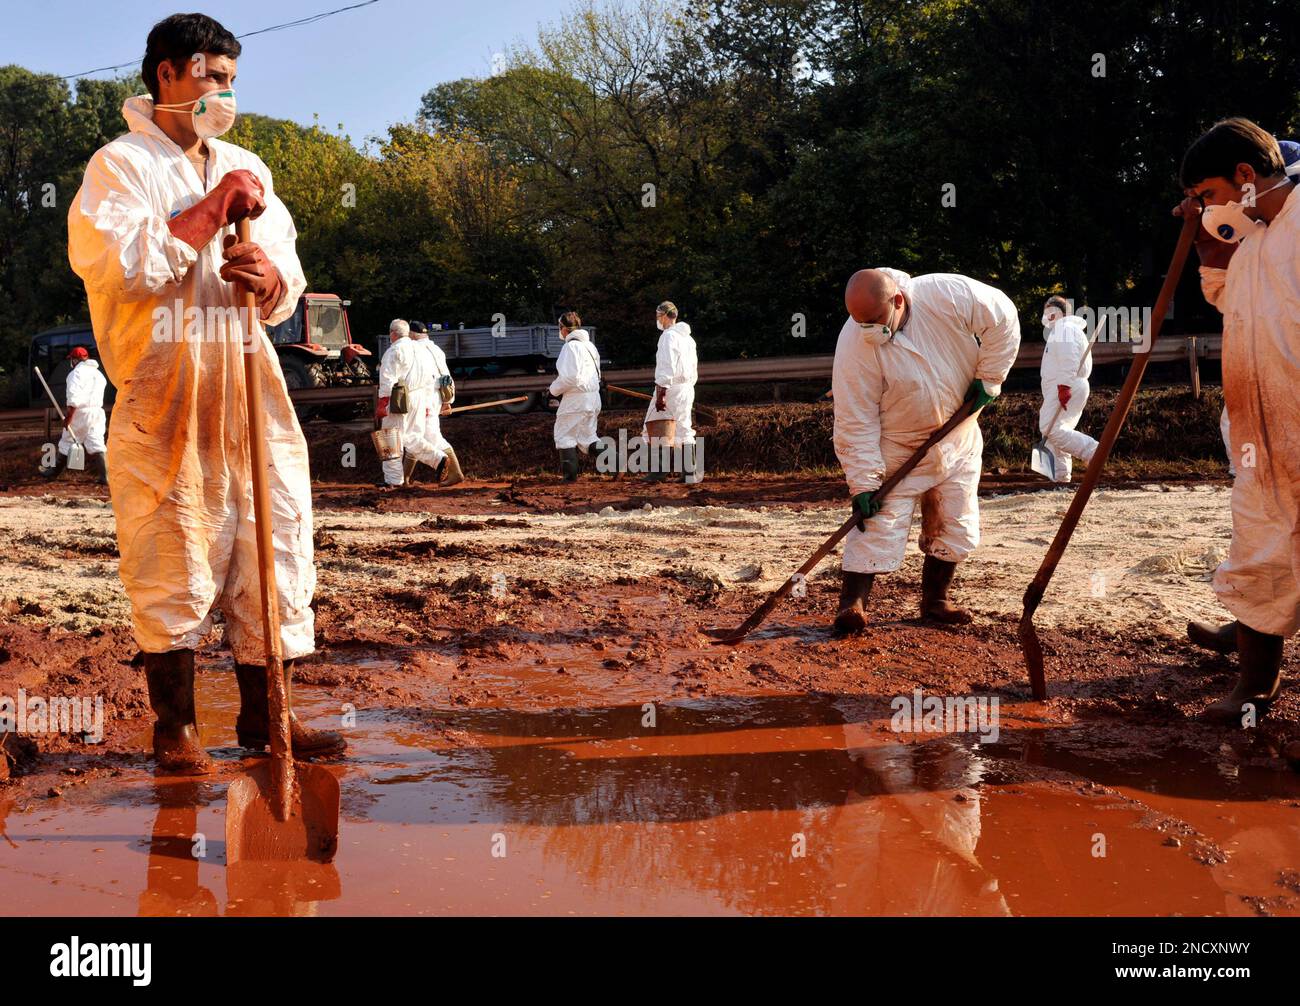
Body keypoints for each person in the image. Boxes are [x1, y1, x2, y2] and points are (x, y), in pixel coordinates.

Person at [67, 13, 344, 774]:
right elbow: (122, 267)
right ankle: (177, 732)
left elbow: (285, 274)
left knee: (275, 548)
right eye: (210, 77)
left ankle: (268, 718)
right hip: (165, 394)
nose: (223, 92)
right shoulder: (118, 167)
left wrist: (272, 279)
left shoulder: (248, 164)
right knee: (173, 552)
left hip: (250, 388)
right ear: (167, 74)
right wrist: (216, 205)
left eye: (230, 79)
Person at [1176, 118, 1300, 721]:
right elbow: (1225, 297)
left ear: (1245, 176)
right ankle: (1254, 689)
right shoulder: (1252, 241)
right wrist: (1209, 233)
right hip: (1260, 438)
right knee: (1258, 555)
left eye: (1207, 193)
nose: (1202, 207)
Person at [831, 268, 1020, 633]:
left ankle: (935, 601)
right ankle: (852, 605)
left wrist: (990, 378)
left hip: (958, 433)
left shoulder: (947, 295)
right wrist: (863, 483)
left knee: (956, 521)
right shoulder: (854, 342)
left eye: (874, 322)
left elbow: (1004, 318)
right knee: (876, 522)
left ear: (898, 300)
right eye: (859, 324)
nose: (867, 331)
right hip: (898, 443)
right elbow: (856, 415)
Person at [1036, 295, 1098, 483]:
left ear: (1060, 312)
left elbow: (1069, 359)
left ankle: (1093, 451)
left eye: (1050, 310)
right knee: (1058, 429)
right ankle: (1061, 476)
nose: (1047, 314)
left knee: (1049, 428)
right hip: (1068, 385)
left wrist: (1064, 386)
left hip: (1067, 385)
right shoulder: (1062, 329)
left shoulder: (1063, 329)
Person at [375, 319, 439, 487]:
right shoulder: (420, 349)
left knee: (390, 438)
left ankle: (393, 480)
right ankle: (438, 459)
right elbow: (428, 379)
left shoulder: (393, 351)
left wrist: (382, 404)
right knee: (412, 436)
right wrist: (425, 404)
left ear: (393, 334)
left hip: (398, 397)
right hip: (419, 397)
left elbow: (387, 380)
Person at [641, 301, 697, 480]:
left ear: (665, 316)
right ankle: (689, 473)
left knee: (653, 425)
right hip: (687, 388)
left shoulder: (668, 336)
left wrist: (661, 394)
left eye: (658, 315)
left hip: (670, 388)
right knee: (683, 428)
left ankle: (659, 471)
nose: (657, 319)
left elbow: (667, 366)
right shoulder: (688, 338)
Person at [40, 347, 109, 484]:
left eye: (71, 359)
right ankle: (105, 477)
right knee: (97, 443)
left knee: (67, 441)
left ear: (75, 360)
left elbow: (73, 398)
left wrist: (69, 418)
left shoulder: (75, 374)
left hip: (80, 413)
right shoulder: (98, 374)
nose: (71, 362)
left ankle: (53, 473)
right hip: (97, 413)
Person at [407, 321, 464, 487]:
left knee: (422, 436)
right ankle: (405, 479)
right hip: (435, 397)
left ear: (412, 334)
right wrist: (447, 401)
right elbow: (446, 376)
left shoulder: (415, 350)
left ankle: (455, 473)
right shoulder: (436, 349)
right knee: (417, 435)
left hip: (423, 398)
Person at [548, 311, 602, 481]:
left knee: (564, 435)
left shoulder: (570, 347)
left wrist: (552, 391)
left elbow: (570, 377)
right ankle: (617, 462)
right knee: (587, 437)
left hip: (576, 399)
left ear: (563, 329)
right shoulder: (589, 346)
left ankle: (569, 477)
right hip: (593, 398)